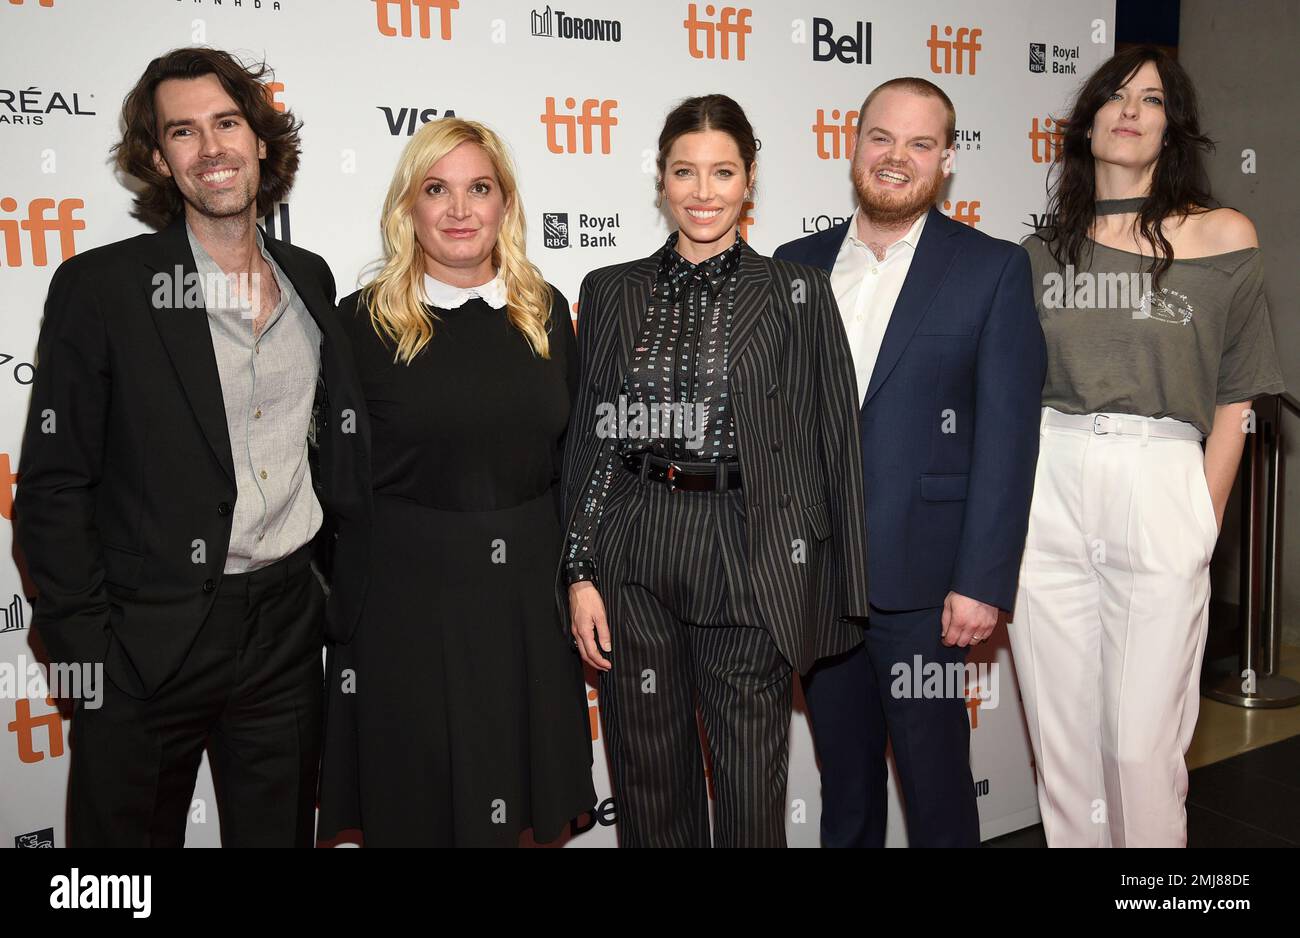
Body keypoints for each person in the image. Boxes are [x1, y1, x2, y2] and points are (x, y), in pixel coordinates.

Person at [15, 47, 368, 846]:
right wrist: (91, 658)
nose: (211, 149)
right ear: (158, 159)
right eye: (183, 132)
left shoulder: (310, 280)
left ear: (262, 142)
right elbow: (53, 485)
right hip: (147, 642)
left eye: (227, 123)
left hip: (283, 630)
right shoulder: (101, 288)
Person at [561, 94, 870, 847]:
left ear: (750, 181)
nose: (703, 192)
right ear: (661, 180)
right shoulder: (609, 289)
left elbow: (836, 442)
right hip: (634, 546)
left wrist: (836, 589)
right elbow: (592, 439)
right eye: (685, 172)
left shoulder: (799, 292)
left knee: (749, 787)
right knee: (648, 779)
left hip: (749, 553)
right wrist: (578, 569)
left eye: (722, 172)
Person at [1010, 46, 1286, 847]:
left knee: (1140, 748)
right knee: (1063, 751)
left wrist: (1204, 513)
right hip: (1049, 481)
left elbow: (1241, 390)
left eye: (1153, 100)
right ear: (1087, 123)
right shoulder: (1039, 255)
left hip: (1162, 476)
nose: (1131, 110)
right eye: (1115, 96)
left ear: (1173, 128)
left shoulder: (1224, 234)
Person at [775, 78, 1046, 847]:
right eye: (882, 138)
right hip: (819, 584)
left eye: (920, 143)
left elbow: (1007, 436)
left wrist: (981, 581)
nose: (897, 157)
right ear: (853, 144)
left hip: (929, 594)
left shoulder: (990, 269)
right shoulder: (795, 266)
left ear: (947, 160)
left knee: (936, 790)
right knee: (846, 788)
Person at [316, 118, 596, 847]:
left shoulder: (546, 315)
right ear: (407, 207)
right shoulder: (360, 323)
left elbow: (576, 463)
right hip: (405, 606)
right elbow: (330, 479)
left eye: (480, 188)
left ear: (506, 204)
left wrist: (578, 577)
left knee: (522, 807)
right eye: (436, 189)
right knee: (416, 808)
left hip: (528, 600)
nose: (460, 209)